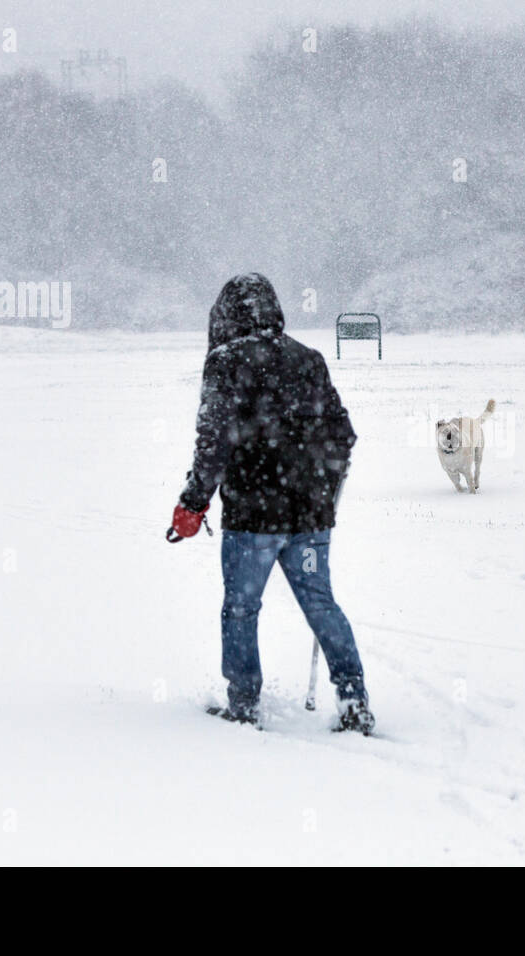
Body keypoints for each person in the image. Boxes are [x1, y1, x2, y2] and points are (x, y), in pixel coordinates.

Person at [166, 273, 373, 734]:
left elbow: (213, 442)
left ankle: (243, 703)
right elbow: (343, 436)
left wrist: (193, 502)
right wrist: (322, 488)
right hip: (310, 518)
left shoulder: (224, 361)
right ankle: (354, 699)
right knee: (321, 604)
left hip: (252, 517)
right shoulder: (309, 358)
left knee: (241, 608)